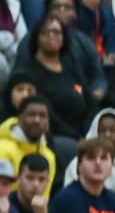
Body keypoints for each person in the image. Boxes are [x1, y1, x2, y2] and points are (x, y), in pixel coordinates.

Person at [15, 14, 90, 142]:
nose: (51, 35)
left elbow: (90, 102)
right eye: (45, 32)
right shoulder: (28, 73)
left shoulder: (72, 69)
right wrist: (77, 138)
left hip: (83, 135)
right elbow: (46, 115)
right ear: (36, 37)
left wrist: (89, 132)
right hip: (52, 137)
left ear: (63, 38)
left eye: (56, 32)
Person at [62, 109, 115, 209]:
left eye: (113, 131)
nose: (107, 135)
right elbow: (69, 201)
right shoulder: (78, 164)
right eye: (102, 131)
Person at [44, 0, 109, 109]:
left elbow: (97, 76)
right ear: (48, 12)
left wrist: (99, 90)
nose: (62, 9)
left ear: (75, 14)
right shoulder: (32, 39)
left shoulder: (85, 42)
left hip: (82, 98)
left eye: (67, 7)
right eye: (57, 6)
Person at [0, 96, 58, 184]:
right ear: (19, 118)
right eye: (31, 115)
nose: (37, 120)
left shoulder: (49, 157)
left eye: (42, 116)